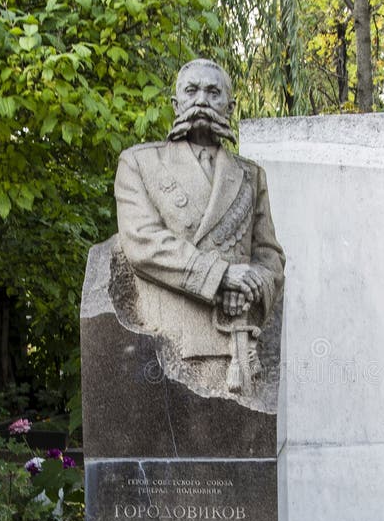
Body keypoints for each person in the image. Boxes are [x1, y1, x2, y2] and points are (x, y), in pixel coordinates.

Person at [114, 59, 285, 394]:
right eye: (191, 91)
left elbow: (270, 256)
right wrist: (221, 276)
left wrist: (251, 284)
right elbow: (142, 240)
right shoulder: (139, 163)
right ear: (176, 104)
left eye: (213, 92)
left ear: (230, 106)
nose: (202, 100)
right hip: (171, 331)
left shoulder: (251, 176)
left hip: (235, 334)